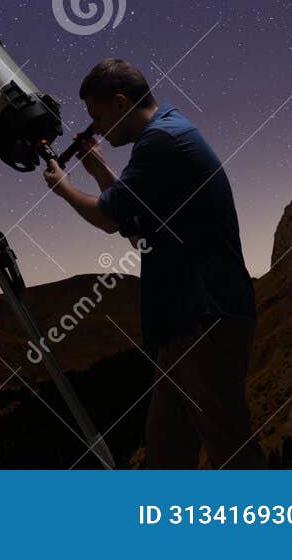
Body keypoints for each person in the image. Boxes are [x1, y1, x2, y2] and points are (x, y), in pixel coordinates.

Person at [43, 57, 264, 468]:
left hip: (206, 316)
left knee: (228, 444)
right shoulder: (169, 132)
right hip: (186, 321)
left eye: (97, 116)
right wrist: (100, 171)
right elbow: (137, 225)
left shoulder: (161, 141)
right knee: (167, 448)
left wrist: (64, 188)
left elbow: (109, 219)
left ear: (121, 102)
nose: (97, 129)